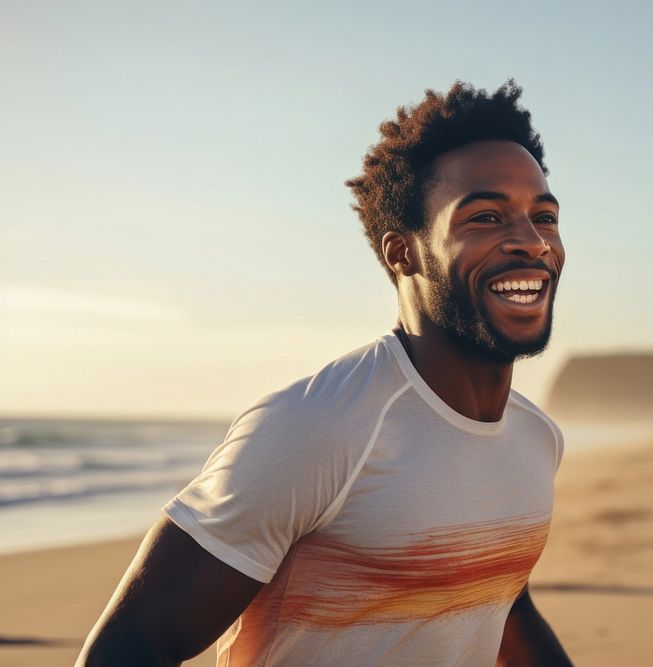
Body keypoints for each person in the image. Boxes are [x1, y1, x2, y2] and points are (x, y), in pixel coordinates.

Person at [78, 81, 572, 666]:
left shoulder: (535, 439)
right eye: (485, 217)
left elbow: (502, 602)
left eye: (544, 216)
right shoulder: (317, 429)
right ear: (402, 253)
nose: (532, 242)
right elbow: (134, 646)